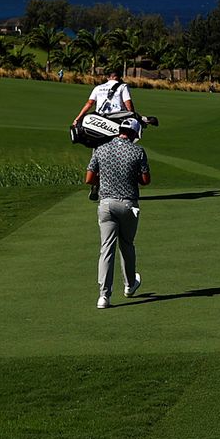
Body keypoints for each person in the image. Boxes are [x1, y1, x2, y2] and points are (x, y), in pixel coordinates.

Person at [85, 116, 150, 308]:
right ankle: (129, 285)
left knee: (106, 249)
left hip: (106, 205)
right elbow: (146, 180)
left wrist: (103, 181)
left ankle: (103, 297)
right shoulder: (138, 151)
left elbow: (89, 178)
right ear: (135, 133)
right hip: (129, 205)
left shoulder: (101, 149)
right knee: (127, 245)